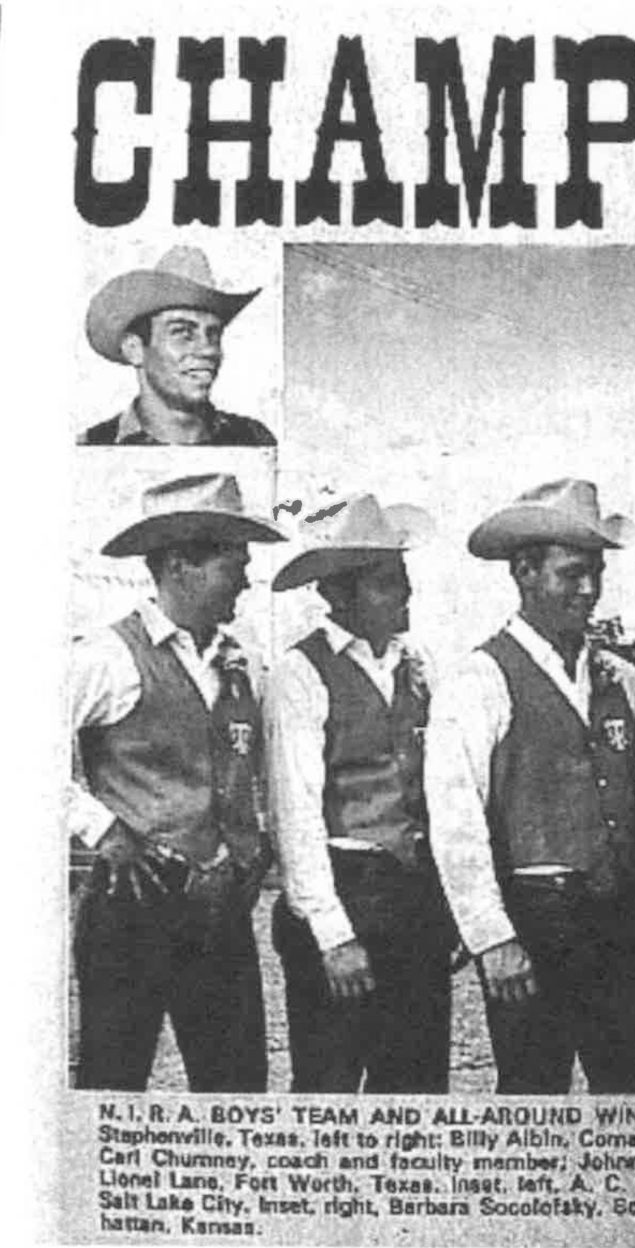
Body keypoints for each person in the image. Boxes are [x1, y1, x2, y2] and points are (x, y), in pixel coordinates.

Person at [426, 479, 635, 1094]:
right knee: (535, 1100)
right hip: (537, 923)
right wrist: (493, 938)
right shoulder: (481, 677)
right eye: (571, 575)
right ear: (525, 573)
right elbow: (457, 821)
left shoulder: (619, 676)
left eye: (595, 574)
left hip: (619, 922)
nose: (587, 591)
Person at [69, 472, 285, 1090]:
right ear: (181, 564)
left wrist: (254, 843)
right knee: (115, 1083)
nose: (245, 578)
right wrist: (101, 827)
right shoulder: (107, 657)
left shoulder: (241, 661)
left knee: (237, 1086)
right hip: (132, 911)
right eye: (232, 563)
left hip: (220, 912)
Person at [267, 494, 455, 1093]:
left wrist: (446, 909)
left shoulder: (417, 665)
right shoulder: (300, 674)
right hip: (348, 893)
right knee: (330, 1088)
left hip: (413, 902)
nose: (405, 595)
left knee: (416, 1088)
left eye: (403, 580)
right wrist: (333, 935)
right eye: (386, 584)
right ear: (338, 595)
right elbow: (295, 811)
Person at [80, 246, 276, 446]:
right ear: (134, 349)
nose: (208, 350)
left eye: (213, 334)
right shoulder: (93, 445)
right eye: (182, 333)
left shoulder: (254, 439)